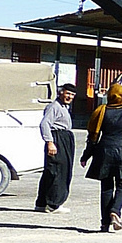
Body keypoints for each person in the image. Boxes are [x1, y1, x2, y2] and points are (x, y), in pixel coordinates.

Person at [80, 83, 122, 233]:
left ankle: (104, 224)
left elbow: (93, 137)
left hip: (104, 152)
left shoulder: (101, 111)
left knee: (106, 188)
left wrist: (86, 155)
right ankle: (116, 211)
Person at [34, 83, 79, 213]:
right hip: (57, 139)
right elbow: (45, 124)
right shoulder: (54, 106)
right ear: (61, 92)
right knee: (58, 171)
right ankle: (53, 204)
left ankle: (42, 203)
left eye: (72, 95)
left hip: (64, 138)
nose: (69, 97)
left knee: (53, 171)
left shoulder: (64, 107)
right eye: (67, 93)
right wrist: (50, 142)